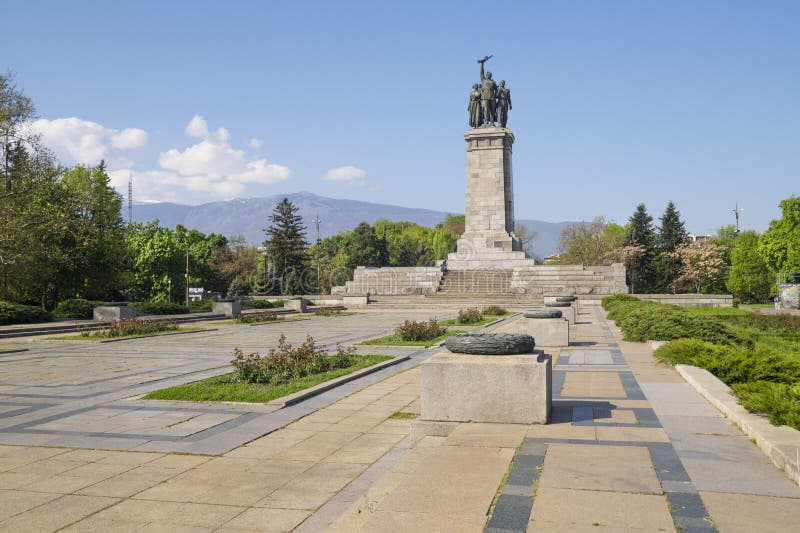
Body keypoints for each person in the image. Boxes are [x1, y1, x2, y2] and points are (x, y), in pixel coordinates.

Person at [479, 59, 497, 125]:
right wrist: (482, 64)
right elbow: (481, 72)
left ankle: (492, 121)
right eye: (487, 74)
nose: (488, 75)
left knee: (492, 110)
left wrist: (496, 95)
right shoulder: (483, 80)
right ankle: (486, 121)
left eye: (490, 74)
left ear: (491, 76)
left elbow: (497, 89)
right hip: (485, 97)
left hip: (492, 97)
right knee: (486, 110)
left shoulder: (493, 82)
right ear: (486, 75)